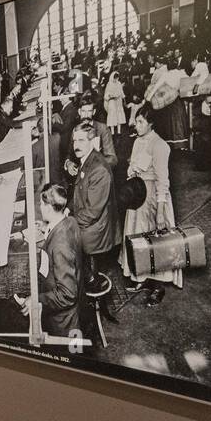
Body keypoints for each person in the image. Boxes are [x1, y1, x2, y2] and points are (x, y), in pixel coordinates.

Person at [118, 107, 178, 301]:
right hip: (138, 195)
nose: (137, 125)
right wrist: (132, 170)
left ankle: (158, 286)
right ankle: (142, 277)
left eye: (141, 121)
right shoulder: (137, 141)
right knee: (138, 237)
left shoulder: (160, 145)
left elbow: (163, 181)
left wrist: (160, 212)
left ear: (151, 123)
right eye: (137, 121)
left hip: (153, 198)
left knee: (157, 240)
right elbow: (132, 165)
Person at [17, 183, 82, 338]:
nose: (40, 206)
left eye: (41, 203)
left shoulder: (60, 246)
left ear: (47, 207)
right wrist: (46, 226)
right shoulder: (70, 221)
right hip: (65, 306)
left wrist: (36, 299)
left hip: (63, 324)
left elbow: (67, 294)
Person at [69, 121, 120, 294]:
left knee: (63, 245)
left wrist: (67, 221)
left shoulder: (98, 168)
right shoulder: (86, 160)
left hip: (95, 229)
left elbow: (93, 212)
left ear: (92, 141)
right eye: (75, 141)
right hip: (89, 220)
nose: (76, 146)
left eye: (81, 141)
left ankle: (87, 287)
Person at [103, 70, 127, 134]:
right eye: (115, 78)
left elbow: (121, 92)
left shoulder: (119, 83)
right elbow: (106, 95)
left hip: (118, 101)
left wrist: (124, 99)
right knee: (112, 115)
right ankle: (112, 131)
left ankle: (119, 131)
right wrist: (111, 97)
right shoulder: (109, 84)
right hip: (112, 101)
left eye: (117, 78)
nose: (116, 80)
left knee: (119, 115)